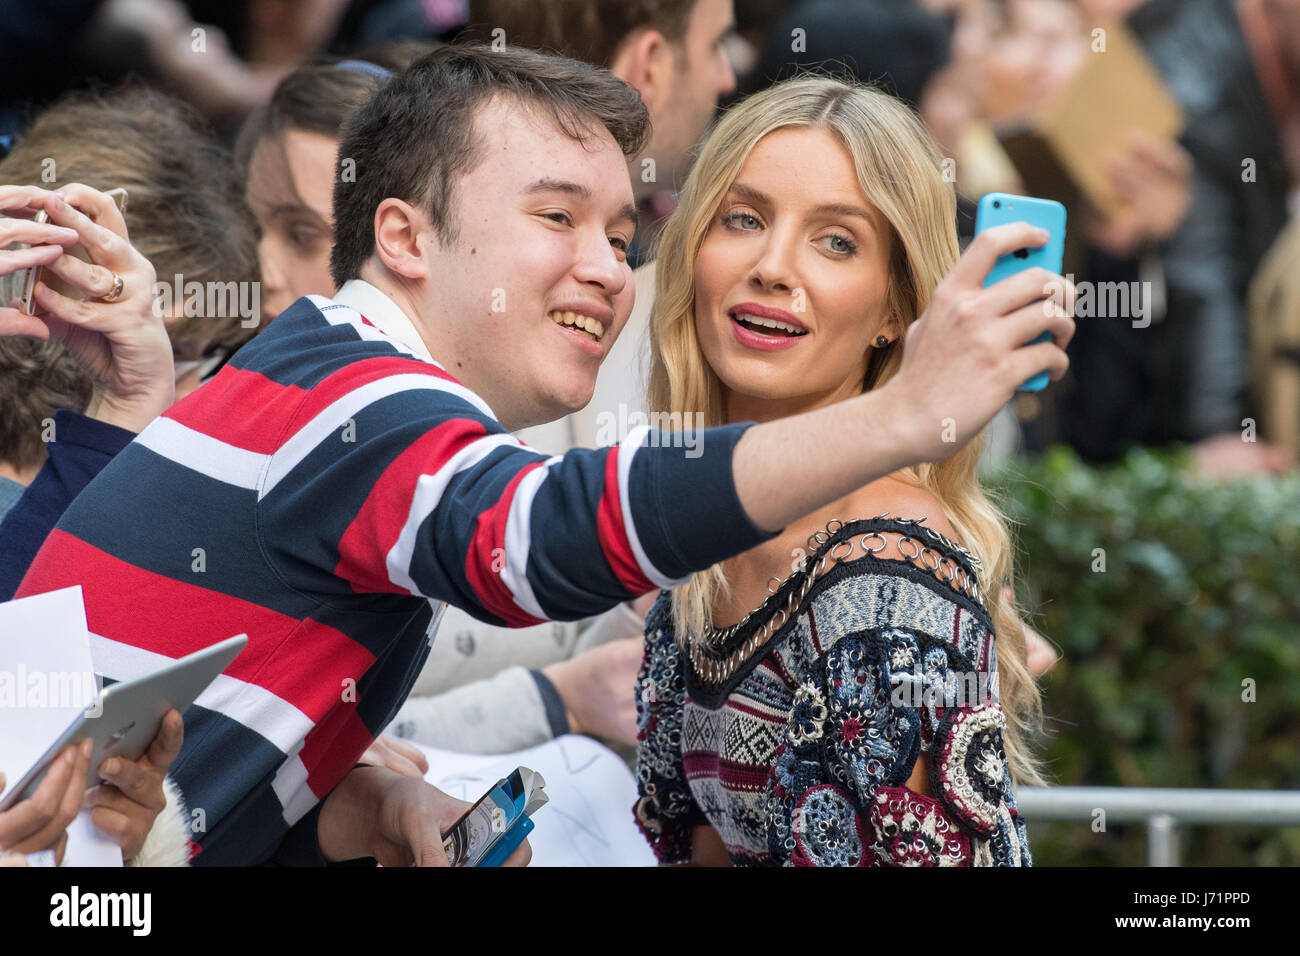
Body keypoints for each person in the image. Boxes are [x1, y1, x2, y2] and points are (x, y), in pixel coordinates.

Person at [15, 44, 1073, 867]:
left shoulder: (313, 375)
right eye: (555, 216)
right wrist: (908, 412)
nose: (607, 272)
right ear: (405, 237)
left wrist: (353, 802)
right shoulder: (359, 396)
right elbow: (544, 539)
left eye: (619, 237)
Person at [634, 75, 1050, 866]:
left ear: (896, 312)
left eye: (836, 241)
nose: (772, 266)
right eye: (744, 219)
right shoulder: (696, 522)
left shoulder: (885, 577)